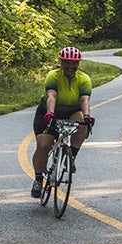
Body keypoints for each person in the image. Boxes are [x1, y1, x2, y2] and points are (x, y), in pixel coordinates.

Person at [32, 46, 93, 197]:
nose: (70, 66)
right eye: (67, 62)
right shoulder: (53, 75)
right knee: (43, 145)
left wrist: (87, 116)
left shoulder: (84, 78)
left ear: (78, 63)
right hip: (49, 111)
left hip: (71, 111)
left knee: (82, 121)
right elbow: (51, 96)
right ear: (61, 62)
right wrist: (50, 113)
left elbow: (84, 99)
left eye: (74, 63)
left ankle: (71, 156)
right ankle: (39, 179)